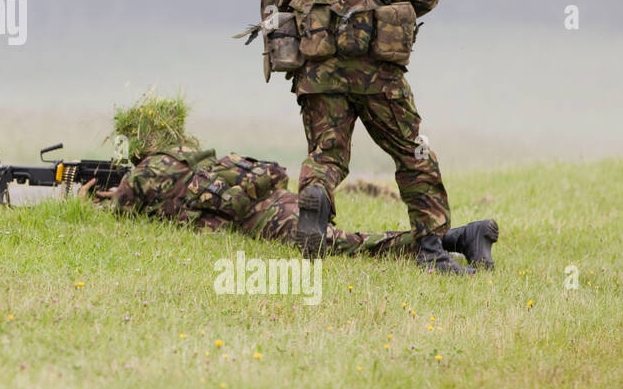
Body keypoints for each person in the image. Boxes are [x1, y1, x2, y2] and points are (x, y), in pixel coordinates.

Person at [259, 0, 467, 273]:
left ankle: (316, 196)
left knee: (327, 155)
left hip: (319, 76)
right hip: (380, 75)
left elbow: (271, 7)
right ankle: (431, 249)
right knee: (411, 152)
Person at [82, 145, 497, 268]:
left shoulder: (138, 179)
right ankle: (455, 238)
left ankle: (453, 240)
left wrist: (89, 200)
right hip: (270, 193)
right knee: (336, 237)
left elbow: (120, 210)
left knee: (339, 245)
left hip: (257, 215)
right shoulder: (182, 154)